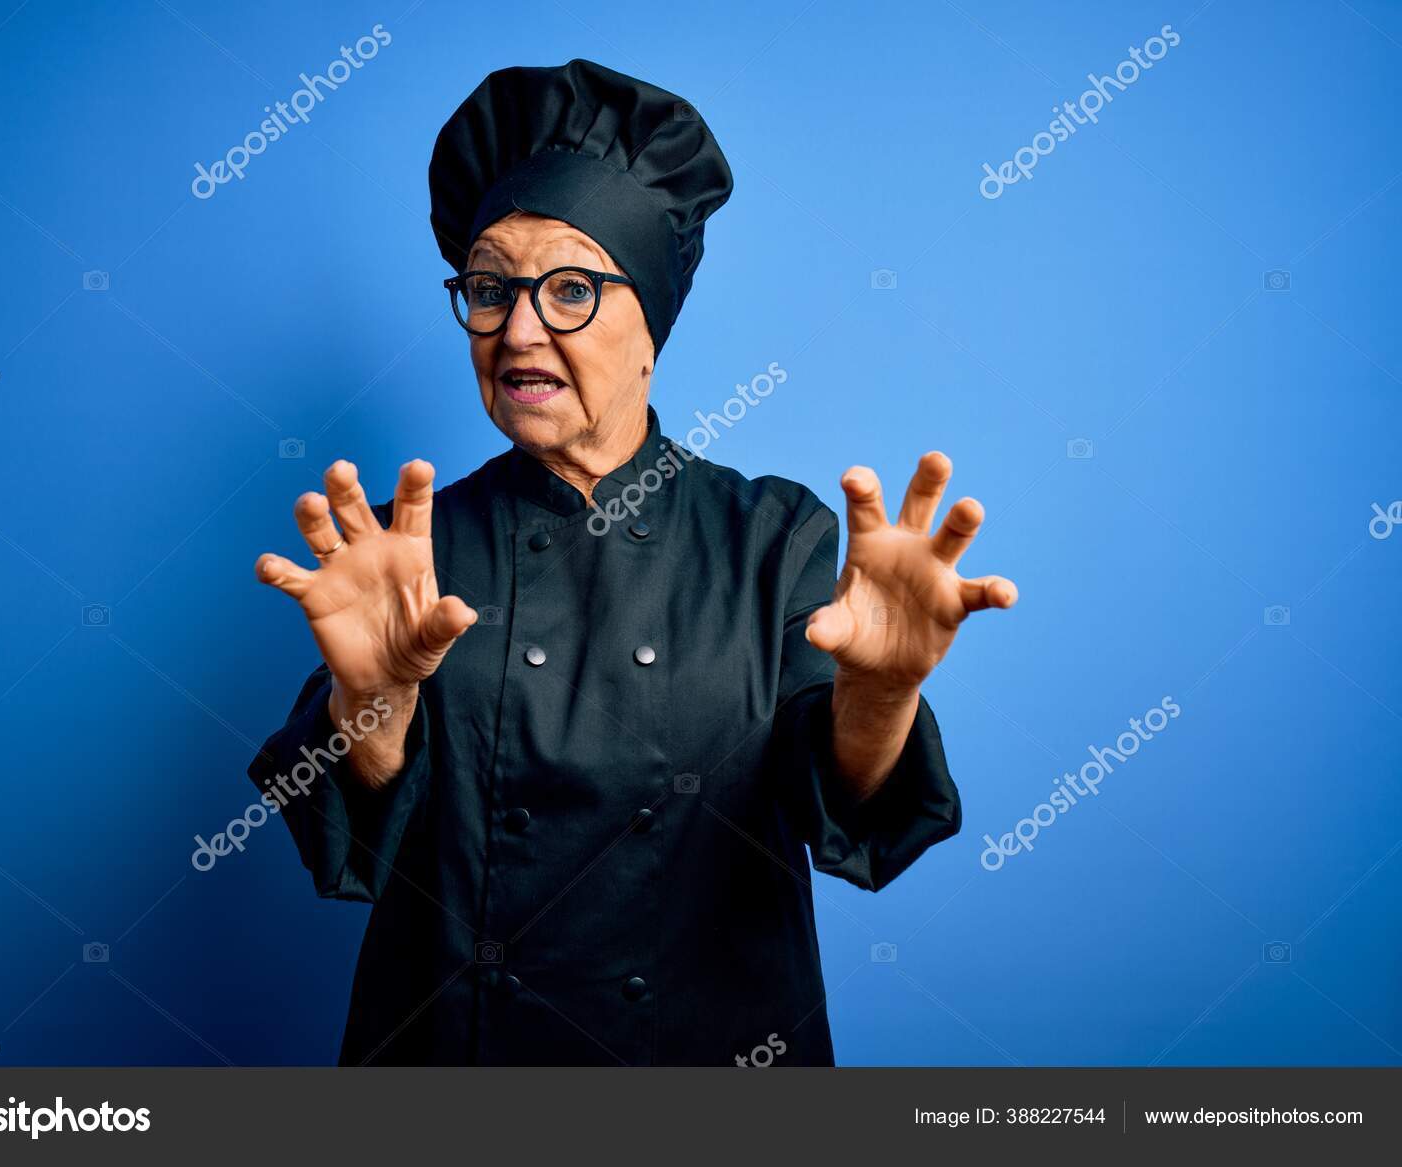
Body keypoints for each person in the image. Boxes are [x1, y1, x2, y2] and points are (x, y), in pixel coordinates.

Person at [249, 58, 1017, 1065]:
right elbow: (343, 823)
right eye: (489, 289)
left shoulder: (771, 537)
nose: (518, 329)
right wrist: (375, 703)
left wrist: (879, 695)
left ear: (650, 323)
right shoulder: (405, 546)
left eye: (570, 288)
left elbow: (844, 806)